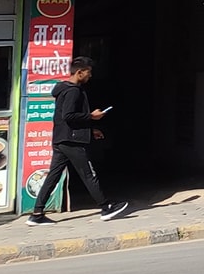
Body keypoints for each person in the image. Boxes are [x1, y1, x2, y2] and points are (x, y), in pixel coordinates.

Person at [26, 59, 130, 224]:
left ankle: (37, 213)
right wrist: (91, 116)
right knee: (89, 174)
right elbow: (68, 116)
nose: (90, 76)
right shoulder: (73, 91)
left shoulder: (64, 89)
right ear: (79, 72)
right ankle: (106, 207)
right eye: (88, 72)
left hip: (62, 138)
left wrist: (89, 130)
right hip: (71, 141)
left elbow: (68, 118)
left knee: (53, 176)